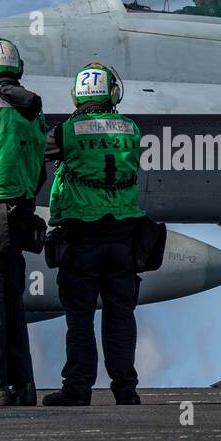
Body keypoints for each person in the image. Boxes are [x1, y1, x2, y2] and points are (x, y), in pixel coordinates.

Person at [42, 63, 146, 406]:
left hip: (81, 238)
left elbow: (37, 156)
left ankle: (78, 388)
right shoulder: (131, 128)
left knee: (80, 317)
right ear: (113, 92)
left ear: (77, 93)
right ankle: (125, 390)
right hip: (123, 237)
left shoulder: (65, 132)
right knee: (120, 314)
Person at [0, 38, 46, 407]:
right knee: (12, 299)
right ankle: (23, 386)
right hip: (20, 213)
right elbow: (40, 169)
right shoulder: (34, 111)